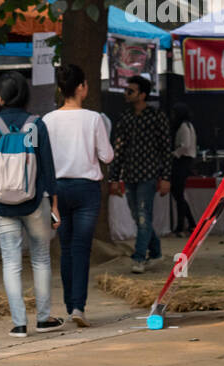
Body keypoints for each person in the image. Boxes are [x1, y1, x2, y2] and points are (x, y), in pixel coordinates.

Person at [0, 72, 63, 339]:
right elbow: (47, 168)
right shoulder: (35, 126)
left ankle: (19, 324)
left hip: (2, 205)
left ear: (0, 98)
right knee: (41, 259)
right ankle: (44, 319)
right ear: (26, 96)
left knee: (11, 263)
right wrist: (55, 204)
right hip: (35, 202)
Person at [42, 64, 114, 327]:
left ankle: (68, 302)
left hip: (58, 189)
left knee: (66, 248)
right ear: (82, 87)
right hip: (87, 189)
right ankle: (78, 307)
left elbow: (43, 158)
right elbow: (107, 156)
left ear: (61, 89)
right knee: (83, 248)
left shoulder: (48, 120)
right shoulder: (94, 119)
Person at [107, 75, 172, 273]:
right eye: (127, 91)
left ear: (142, 95)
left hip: (149, 175)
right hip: (130, 175)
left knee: (143, 216)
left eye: (131, 91)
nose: (126, 94)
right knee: (139, 217)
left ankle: (139, 257)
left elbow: (165, 149)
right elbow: (118, 150)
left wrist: (166, 178)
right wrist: (114, 179)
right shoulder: (125, 117)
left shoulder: (156, 116)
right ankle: (156, 252)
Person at [170, 103, 198, 236]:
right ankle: (191, 224)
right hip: (185, 161)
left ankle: (181, 227)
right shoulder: (189, 126)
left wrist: (174, 154)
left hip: (182, 161)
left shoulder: (184, 127)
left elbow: (185, 145)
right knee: (178, 195)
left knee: (178, 194)